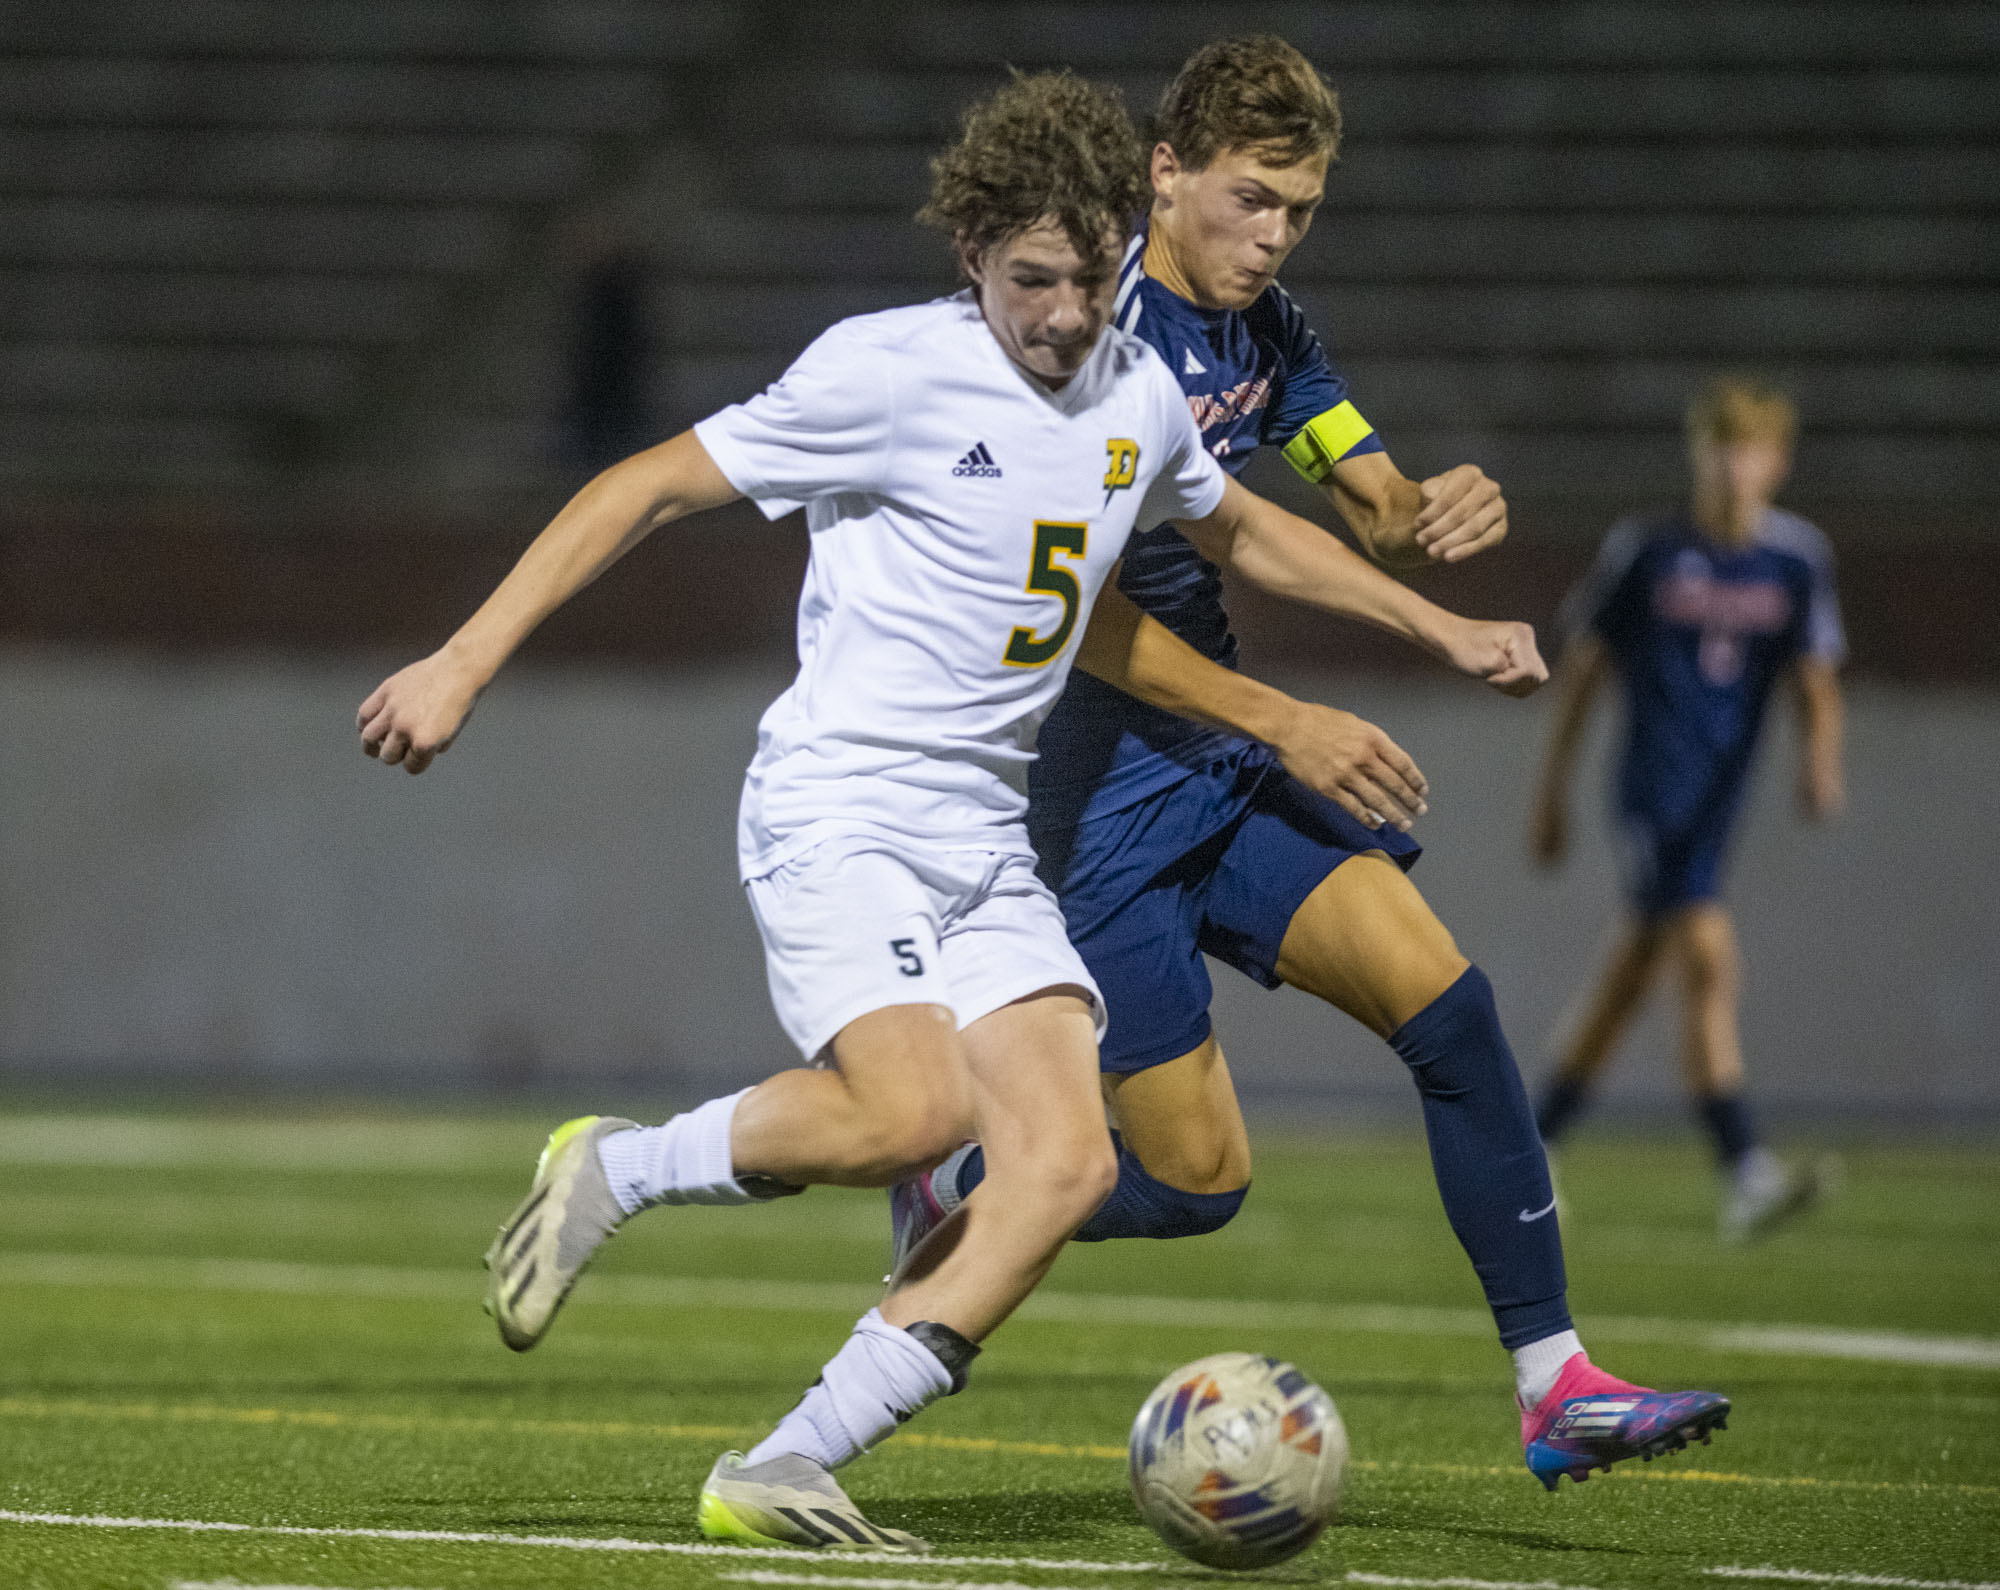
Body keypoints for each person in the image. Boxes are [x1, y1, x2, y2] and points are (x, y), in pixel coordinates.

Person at [357, 71, 1560, 1550]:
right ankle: (617, 1162)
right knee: (912, 1112)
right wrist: (462, 658)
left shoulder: (1134, 385)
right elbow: (645, 488)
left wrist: (1440, 632)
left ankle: (784, 1463)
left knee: (1066, 1164)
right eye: (1026, 279)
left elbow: (1245, 525)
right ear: (972, 259)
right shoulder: (884, 370)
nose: (1060, 312)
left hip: (984, 835)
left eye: (1082, 274)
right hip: (841, 804)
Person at [892, 34, 1731, 1489]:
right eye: (1251, 198)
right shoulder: (1081, 328)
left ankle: (1557, 1387)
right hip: (1081, 802)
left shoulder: (1267, 328)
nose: (1273, 234)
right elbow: (1072, 622)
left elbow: (1365, 494)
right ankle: (958, 1176)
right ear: (1165, 172)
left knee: (1449, 1011)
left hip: (1211, 762)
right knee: (1194, 1183)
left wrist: (1432, 520)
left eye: (1298, 209)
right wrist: (1291, 715)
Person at [1529, 374, 1845, 1241]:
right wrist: (1552, 791)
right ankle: (1744, 1167)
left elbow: (1814, 677)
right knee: (1706, 953)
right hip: (1650, 791)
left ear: (1776, 464)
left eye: (1748, 450)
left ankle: (1532, 1143)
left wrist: (1820, 764)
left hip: (1719, 802)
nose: (1731, 467)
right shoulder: (1648, 550)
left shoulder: (1795, 560)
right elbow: (1585, 670)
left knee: (1632, 979)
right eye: (1718, 447)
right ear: (1697, 454)